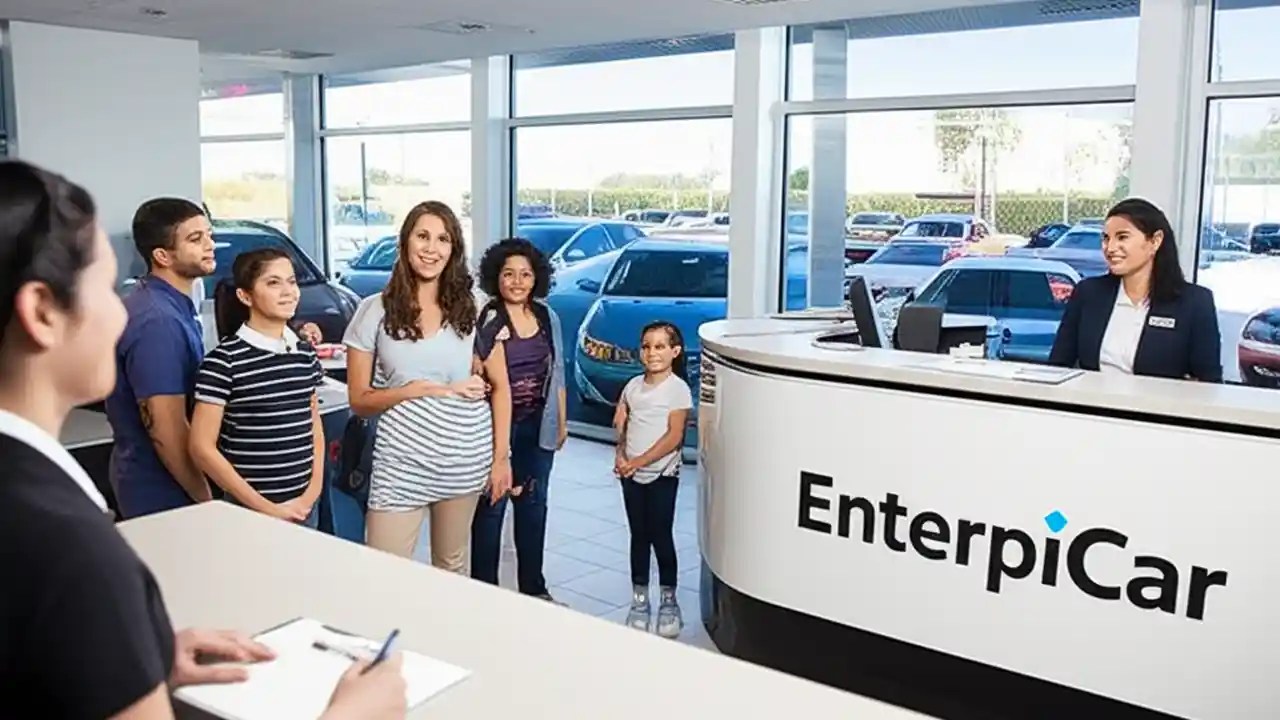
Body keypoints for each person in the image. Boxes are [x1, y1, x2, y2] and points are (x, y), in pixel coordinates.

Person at [0, 160, 406, 719]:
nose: (122, 316)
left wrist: (145, 657)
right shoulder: (71, 543)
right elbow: (176, 434)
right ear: (42, 312)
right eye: (104, 290)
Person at [344, 201, 513, 572]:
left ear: (454, 249)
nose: (431, 248)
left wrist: (501, 458)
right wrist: (414, 390)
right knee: (383, 570)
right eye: (423, 236)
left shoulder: (476, 307)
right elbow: (359, 400)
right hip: (400, 464)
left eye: (443, 239)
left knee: (451, 566)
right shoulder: (374, 311)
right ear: (405, 241)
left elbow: (501, 387)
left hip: (464, 459)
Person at [189, 248, 326, 527]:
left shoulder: (303, 353)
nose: (288, 292)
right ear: (245, 296)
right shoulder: (224, 361)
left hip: (305, 507)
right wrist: (266, 508)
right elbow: (201, 447)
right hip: (249, 511)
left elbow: (314, 426)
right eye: (273, 283)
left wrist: (312, 493)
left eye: (291, 281)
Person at [105, 198, 216, 518]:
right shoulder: (158, 321)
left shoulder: (167, 304)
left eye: (209, 234)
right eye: (195, 239)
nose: (210, 245)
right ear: (162, 256)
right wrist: (206, 499)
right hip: (160, 487)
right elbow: (166, 429)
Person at [470, 239, 568, 601]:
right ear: (495, 277)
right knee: (491, 510)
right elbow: (478, 372)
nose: (517, 282)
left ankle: (534, 590)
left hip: (537, 428)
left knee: (533, 508)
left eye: (525, 275)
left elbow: (557, 371)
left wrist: (561, 419)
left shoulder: (546, 316)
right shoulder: (489, 319)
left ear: (536, 278)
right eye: (509, 274)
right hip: (497, 429)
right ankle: (485, 594)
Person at [1049, 198, 1222, 382]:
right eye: (1106, 238)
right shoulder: (1088, 293)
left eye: (1122, 237)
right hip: (1092, 400)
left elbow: (1208, 383)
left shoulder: (1195, 302)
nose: (1110, 248)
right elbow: (1057, 367)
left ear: (1155, 241)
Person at [613, 321, 693, 638]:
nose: (652, 352)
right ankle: (640, 598)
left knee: (661, 534)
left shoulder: (678, 389)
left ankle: (669, 600)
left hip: (662, 476)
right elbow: (622, 424)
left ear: (675, 351)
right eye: (646, 346)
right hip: (631, 477)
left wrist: (638, 462)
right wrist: (621, 456)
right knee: (639, 535)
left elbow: (673, 437)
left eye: (660, 346)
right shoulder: (632, 386)